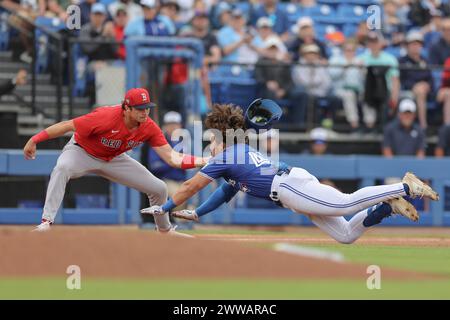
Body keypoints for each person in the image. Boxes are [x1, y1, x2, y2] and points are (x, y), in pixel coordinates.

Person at [141, 103, 439, 244]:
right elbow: (226, 190)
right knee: (346, 235)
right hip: (290, 189)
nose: (211, 144)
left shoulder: (228, 154)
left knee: (346, 202)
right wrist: (198, 214)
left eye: (212, 140)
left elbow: (191, 185)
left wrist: (166, 207)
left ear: (222, 139)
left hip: (289, 187)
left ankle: (404, 186)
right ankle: (385, 208)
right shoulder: (233, 157)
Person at [23, 88, 208, 233]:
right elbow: (66, 126)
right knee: (62, 167)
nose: (145, 113)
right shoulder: (104, 117)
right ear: (126, 108)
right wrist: (34, 140)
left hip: (114, 158)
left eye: (147, 108)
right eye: (140, 109)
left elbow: (172, 158)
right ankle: (46, 222)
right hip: (82, 152)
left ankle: (164, 230)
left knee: (159, 188)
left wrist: (204, 161)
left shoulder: (149, 127)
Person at [148, 111, 187, 210]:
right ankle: (180, 223)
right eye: (170, 124)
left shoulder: (187, 142)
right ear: (165, 126)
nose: (173, 127)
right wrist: (172, 162)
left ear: (180, 125)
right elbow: (154, 166)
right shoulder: (158, 141)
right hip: (167, 180)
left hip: (186, 180)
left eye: (175, 124)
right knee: (178, 195)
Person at [399, 31, 433, 129]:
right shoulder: (402, 61)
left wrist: (427, 85)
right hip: (407, 90)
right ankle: (423, 125)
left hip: (426, 90)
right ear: (407, 46)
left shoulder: (425, 60)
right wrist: (415, 85)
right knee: (420, 91)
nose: (416, 46)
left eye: (418, 44)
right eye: (413, 44)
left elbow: (430, 79)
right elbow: (402, 79)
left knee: (421, 90)